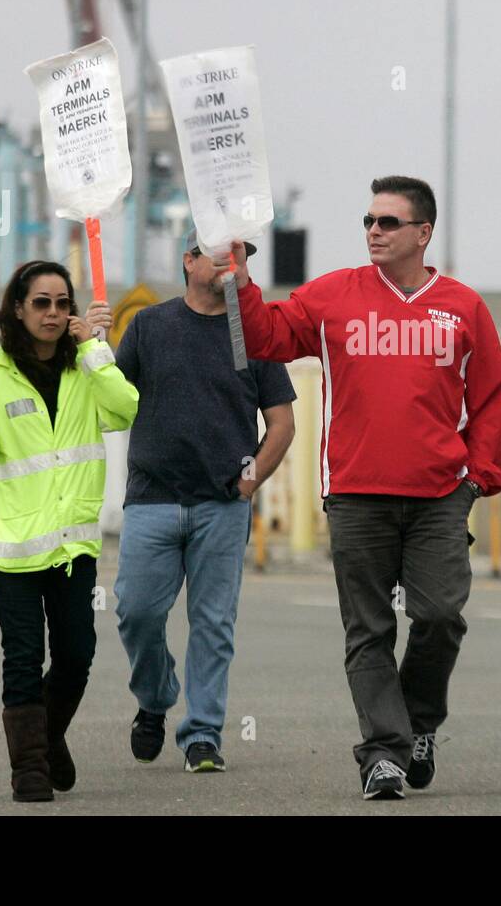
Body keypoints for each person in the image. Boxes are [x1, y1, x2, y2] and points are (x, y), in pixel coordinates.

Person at [227, 175, 501, 800]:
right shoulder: (334, 295)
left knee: (438, 617)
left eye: (388, 222)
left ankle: (418, 725)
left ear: (423, 233)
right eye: (369, 221)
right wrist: (241, 281)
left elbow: (489, 394)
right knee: (370, 630)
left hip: (440, 494)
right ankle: (383, 753)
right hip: (357, 494)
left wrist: (479, 475)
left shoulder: (463, 307)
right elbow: (264, 337)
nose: (374, 231)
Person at [0, 260, 137, 802]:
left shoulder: (85, 365)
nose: (54, 313)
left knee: (78, 653)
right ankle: (29, 768)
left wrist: (97, 349)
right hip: (11, 548)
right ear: (17, 307)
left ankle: (49, 734)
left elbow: (126, 410)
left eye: (62, 303)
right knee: (23, 656)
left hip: (72, 545)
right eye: (41, 302)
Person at [114, 228, 296, 774]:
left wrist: (250, 481)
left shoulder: (255, 334)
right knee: (136, 613)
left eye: (242, 257)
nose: (233, 265)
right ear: (190, 260)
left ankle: (203, 735)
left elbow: (283, 422)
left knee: (213, 623)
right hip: (151, 499)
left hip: (222, 505)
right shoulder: (149, 326)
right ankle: (155, 697)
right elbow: (114, 398)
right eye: (223, 254)